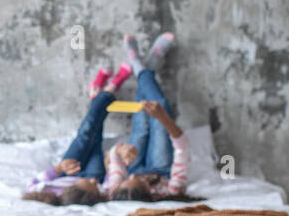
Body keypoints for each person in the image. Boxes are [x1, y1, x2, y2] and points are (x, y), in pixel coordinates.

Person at [22, 33, 196, 206]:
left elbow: (113, 159)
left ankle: (142, 69)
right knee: (158, 111)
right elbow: (182, 147)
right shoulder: (170, 190)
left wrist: (119, 150)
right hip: (161, 170)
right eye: (137, 181)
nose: (133, 176)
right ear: (151, 196)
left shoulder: (115, 191)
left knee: (138, 126)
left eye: (127, 180)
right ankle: (142, 70)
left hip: (109, 166)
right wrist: (164, 117)